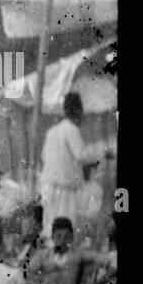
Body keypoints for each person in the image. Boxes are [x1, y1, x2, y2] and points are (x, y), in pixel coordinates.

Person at [40, 92, 112, 232]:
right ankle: (60, 254)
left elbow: (44, 156)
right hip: (63, 187)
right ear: (78, 111)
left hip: (48, 185)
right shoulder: (71, 129)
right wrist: (104, 153)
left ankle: (51, 253)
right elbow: (82, 155)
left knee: (50, 225)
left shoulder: (52, 132)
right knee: (65, 226)